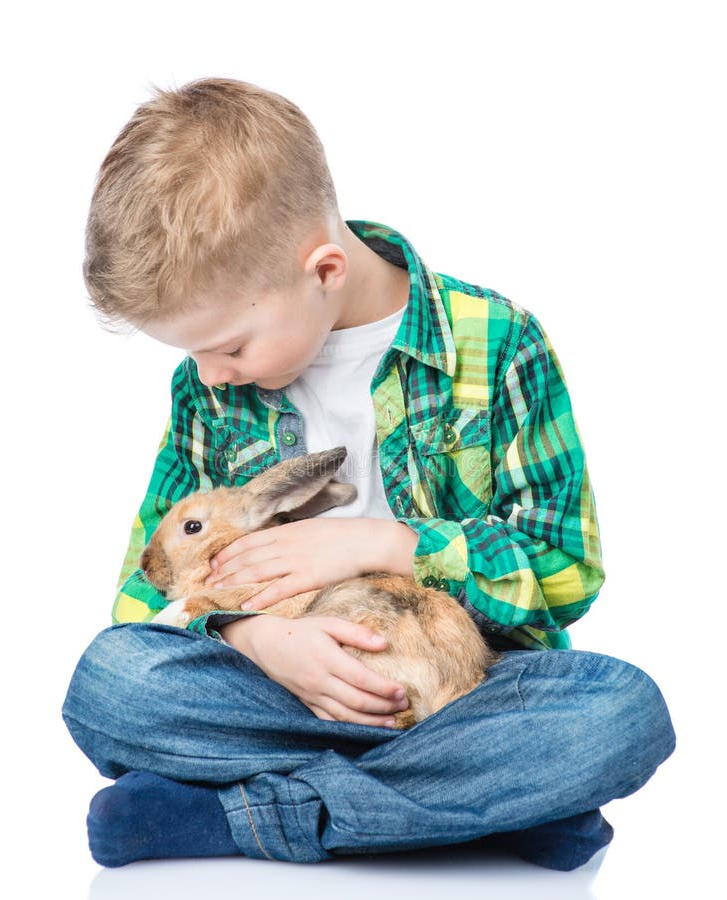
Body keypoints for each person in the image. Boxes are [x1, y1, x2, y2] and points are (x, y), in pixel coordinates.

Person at [62, 76, 675, 872]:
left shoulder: (498, 342)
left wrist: (383, 545)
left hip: (463, 688)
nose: (209, 377)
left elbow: (567, 572)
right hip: (279, 687)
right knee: (108, 684)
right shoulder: (205, 395)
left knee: (620, 714)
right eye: (192, 355)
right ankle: (482, 808)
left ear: (323, 270)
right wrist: (258, 638)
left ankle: (241, 814)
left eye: (229, 348)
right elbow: (142, 597)